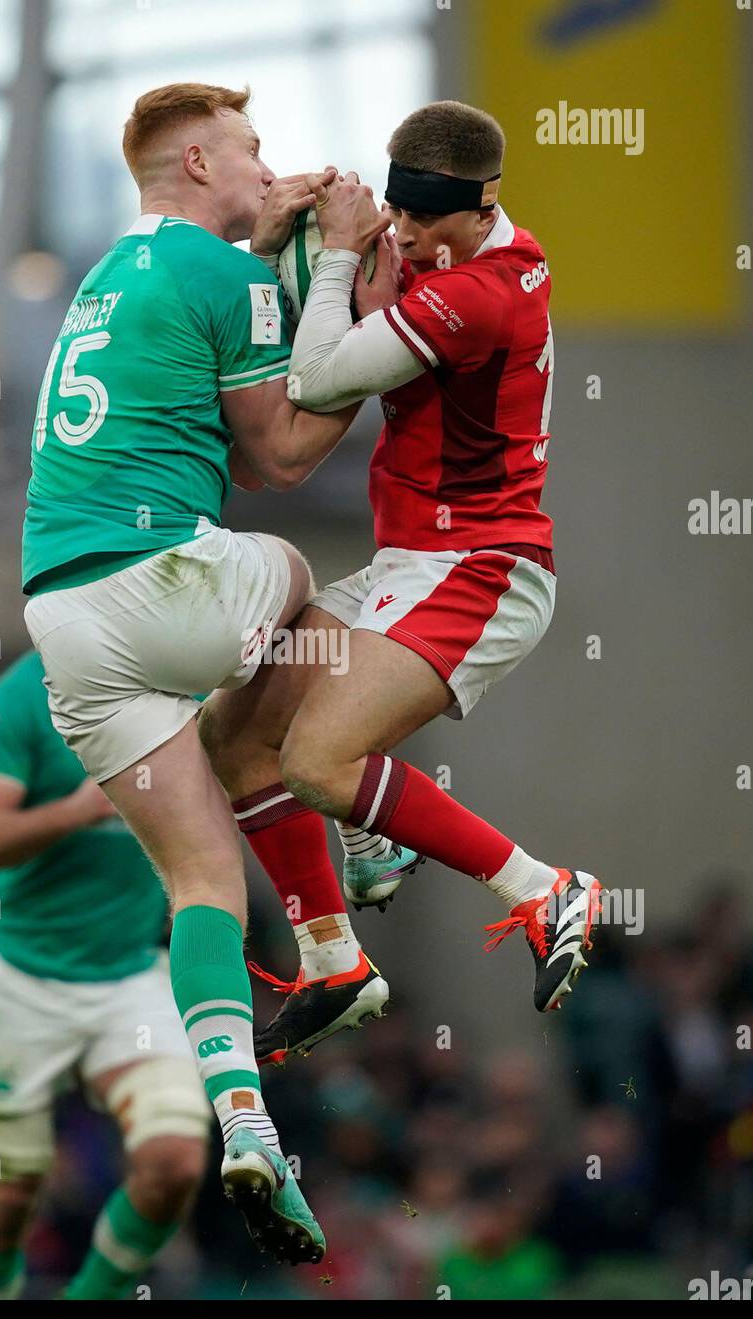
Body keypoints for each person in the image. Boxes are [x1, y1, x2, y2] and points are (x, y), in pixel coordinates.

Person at [20, 83, 386, 1263]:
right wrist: (366, 338)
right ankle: (354, 813)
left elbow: (208, 333)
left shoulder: (107, 272)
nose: (265, 166)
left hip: (60, 613)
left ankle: (244, 1120)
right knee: (291, 566)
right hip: (159, 575)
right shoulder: (221, 275)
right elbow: (276, 455)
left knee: (199, 881)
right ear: (194, 163)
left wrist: (272, 245)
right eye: (249, 150)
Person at [200, 101, 601, 1067]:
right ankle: (334, 959)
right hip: (408, 564)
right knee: (233, 733)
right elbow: (360, 278)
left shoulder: (484, 295)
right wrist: (294, 215)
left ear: (481, 205)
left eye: (426, 221)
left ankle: (543, 889)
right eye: (400, 210)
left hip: (482, 570)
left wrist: (336, 255)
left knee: (318, 764)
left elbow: (324, 379)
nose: (407, 233)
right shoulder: (457, 252)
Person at [0, 651, 210, 1299]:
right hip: (21, 980)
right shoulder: (20, 697)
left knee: (174, 1162)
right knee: (9, 1198)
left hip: (130, 976)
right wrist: (77, 810)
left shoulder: (188, 686)